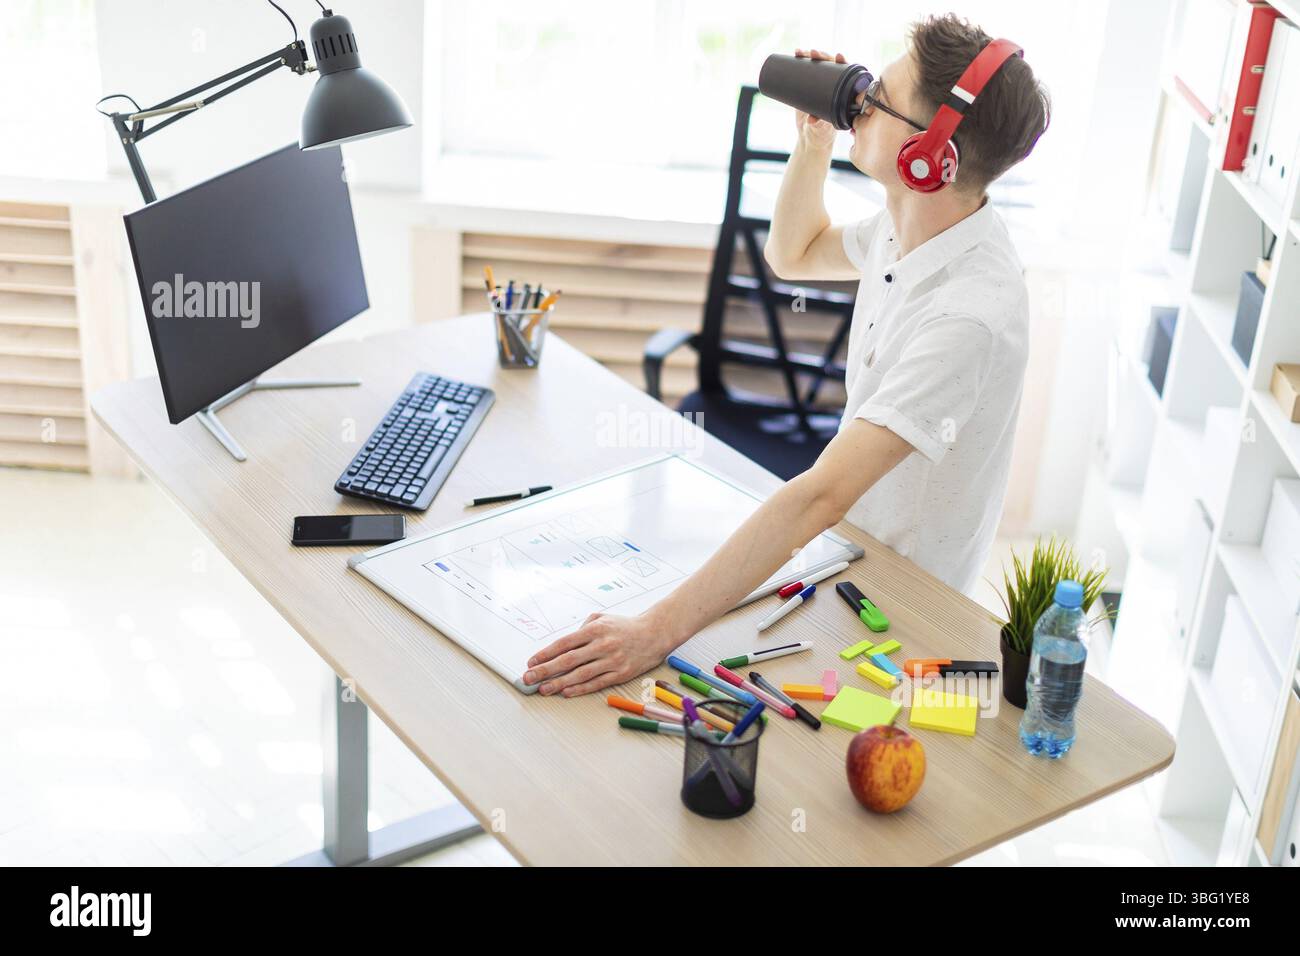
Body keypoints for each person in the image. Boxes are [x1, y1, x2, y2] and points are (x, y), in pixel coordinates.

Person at [524, 13, 1050, 697]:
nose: (856, 101)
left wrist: (653, 631)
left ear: (931, 156)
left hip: (905, 602)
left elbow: (821, 495)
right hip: (849, 556)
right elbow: (792, 252)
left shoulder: (970, 314)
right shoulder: (909, 230)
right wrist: (814, 145)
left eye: (877, 97)